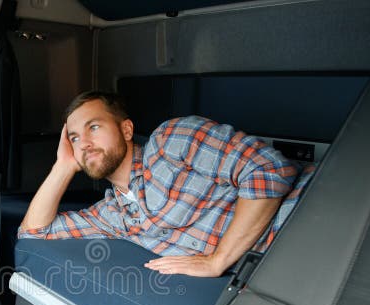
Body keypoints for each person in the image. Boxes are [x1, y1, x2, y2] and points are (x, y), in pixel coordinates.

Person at [18, 91, 300, 277]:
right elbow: (32, 233)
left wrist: (218, 260)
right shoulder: (110, 215)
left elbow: (269, 170)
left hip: (306, 219)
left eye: (94, 127)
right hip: (277, 275)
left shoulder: (170, 142)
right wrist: (63, 166)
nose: (85, 143)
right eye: (75, 138)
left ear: (126, 129)